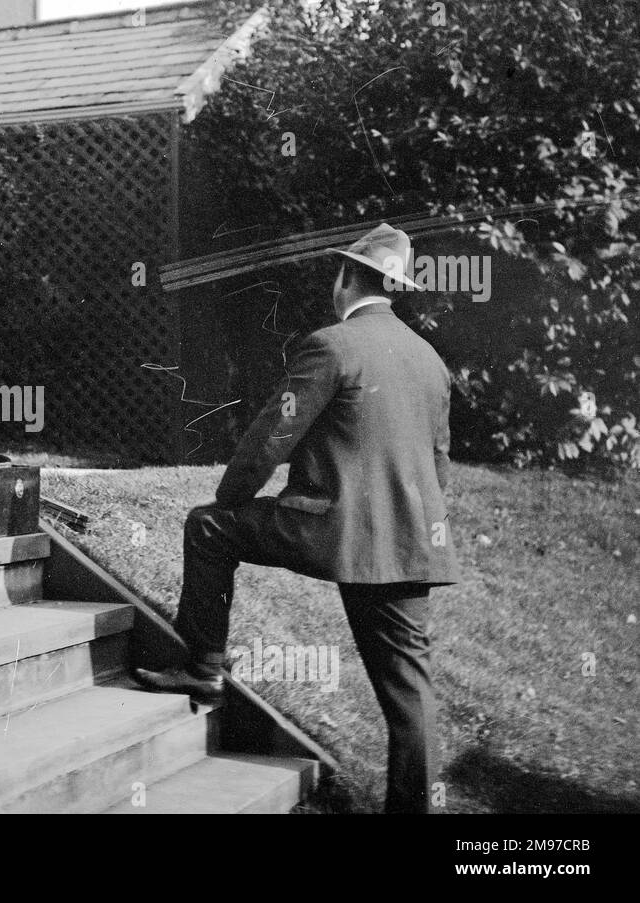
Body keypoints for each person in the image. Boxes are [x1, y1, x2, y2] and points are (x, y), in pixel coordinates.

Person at [134, 223, 460, 814]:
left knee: (207, 528)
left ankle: (204, 667)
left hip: (328, 529)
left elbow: (272, 436)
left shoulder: (332, 344)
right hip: (411, 545)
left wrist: (230, 497)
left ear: (345, 277)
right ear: (394, 285)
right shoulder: (431, 361)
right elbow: (439, 465)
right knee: (411, 696)